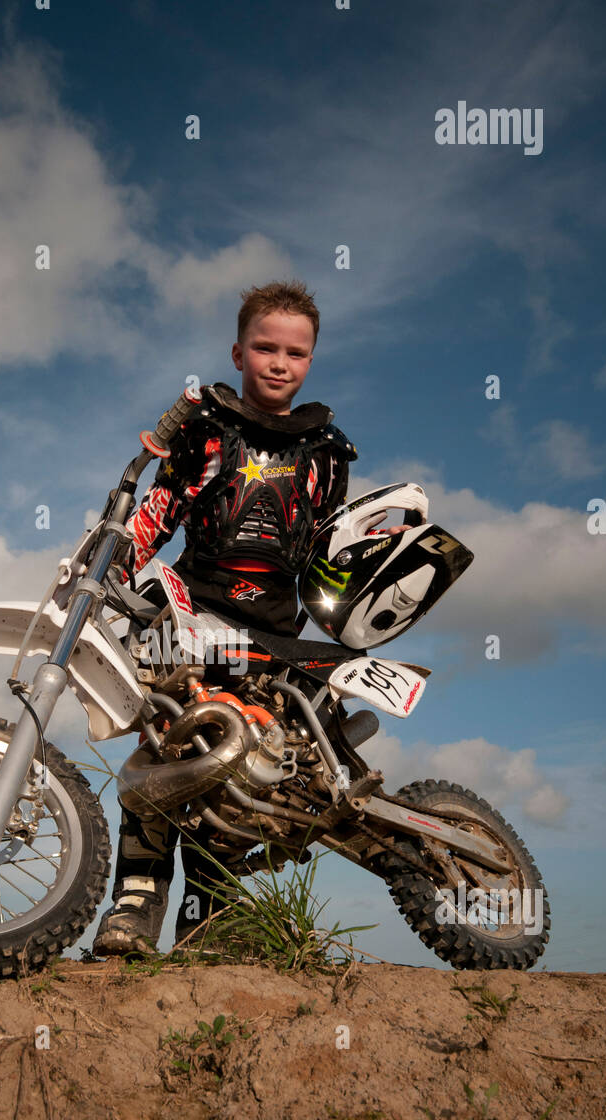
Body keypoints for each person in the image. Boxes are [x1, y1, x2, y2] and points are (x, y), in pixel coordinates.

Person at [93, 279, 403, 958]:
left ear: (310, 362)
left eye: (294, 352)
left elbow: (328, 547)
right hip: (190, 619)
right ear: (237, 352)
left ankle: (211, 919)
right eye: (264, 347)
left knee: (243, 773)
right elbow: (157, 514)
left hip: (274, 637)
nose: (277, 361)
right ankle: (134, 909)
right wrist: (107, 568)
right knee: (163, 753)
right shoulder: (205, 433)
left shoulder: (327, 452)